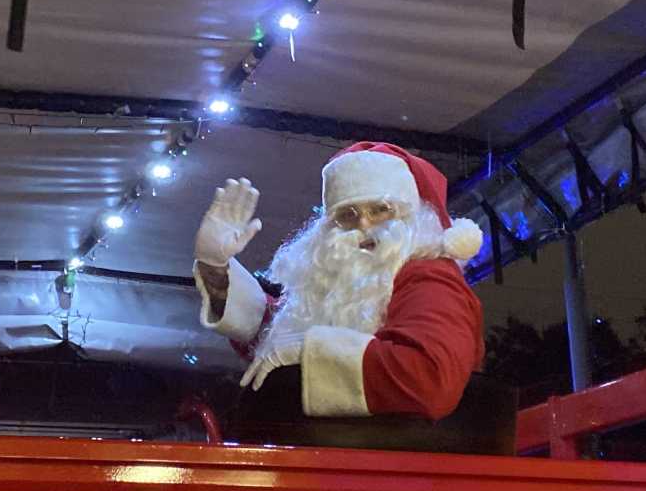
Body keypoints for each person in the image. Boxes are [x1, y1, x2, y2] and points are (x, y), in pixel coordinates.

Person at [194, 142, 485, 420]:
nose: (364, 226)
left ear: (414, 215)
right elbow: (276, 341)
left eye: (381, 209)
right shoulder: (335, 284)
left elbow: (430, 378)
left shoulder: (430, 278)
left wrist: (309, 351)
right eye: (348, 215)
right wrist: (216, 269)